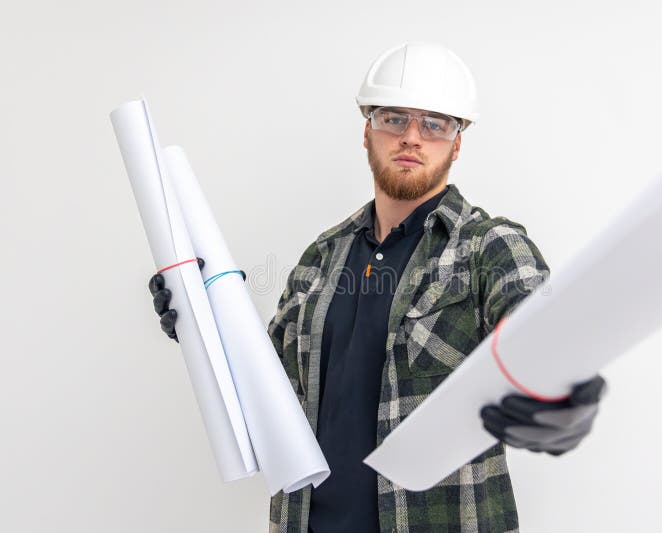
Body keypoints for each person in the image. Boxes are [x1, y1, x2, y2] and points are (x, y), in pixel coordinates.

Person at [148, 41, 607, 533]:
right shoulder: (322, 256)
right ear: (367, 132)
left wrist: (565, 398)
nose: (411, 137)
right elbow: (264, 396)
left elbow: (544, 338)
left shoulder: (489, 247)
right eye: (394, 118)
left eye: (434, 124)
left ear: (457, 144)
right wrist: (202, 321)